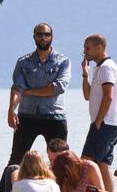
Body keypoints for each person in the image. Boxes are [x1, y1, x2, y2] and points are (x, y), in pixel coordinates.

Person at [6, 23, 71, 166]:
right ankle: (5, 189)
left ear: (52, 37)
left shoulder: (63, 61)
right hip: (27, 116)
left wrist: (27, 91)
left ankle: (62, 189)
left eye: (46, 34)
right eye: (39, 34)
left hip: (54, 116)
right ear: (34, 37)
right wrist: (11, 110)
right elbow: (17, 88)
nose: (43, 37)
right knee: (16, 159)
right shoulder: (23, 62)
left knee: (62, 161)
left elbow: (57, 88)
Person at [80, 33, 117, 192]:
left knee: (86, 163)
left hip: (105, 124)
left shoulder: (107, 67)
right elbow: (87, 95)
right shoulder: (99, 68)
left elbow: (108, 96)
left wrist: (98, 122)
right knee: (104, 165)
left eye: (88, 48)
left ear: (100, 48)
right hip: (108, 124)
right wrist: (85, 74)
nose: (85, 52)